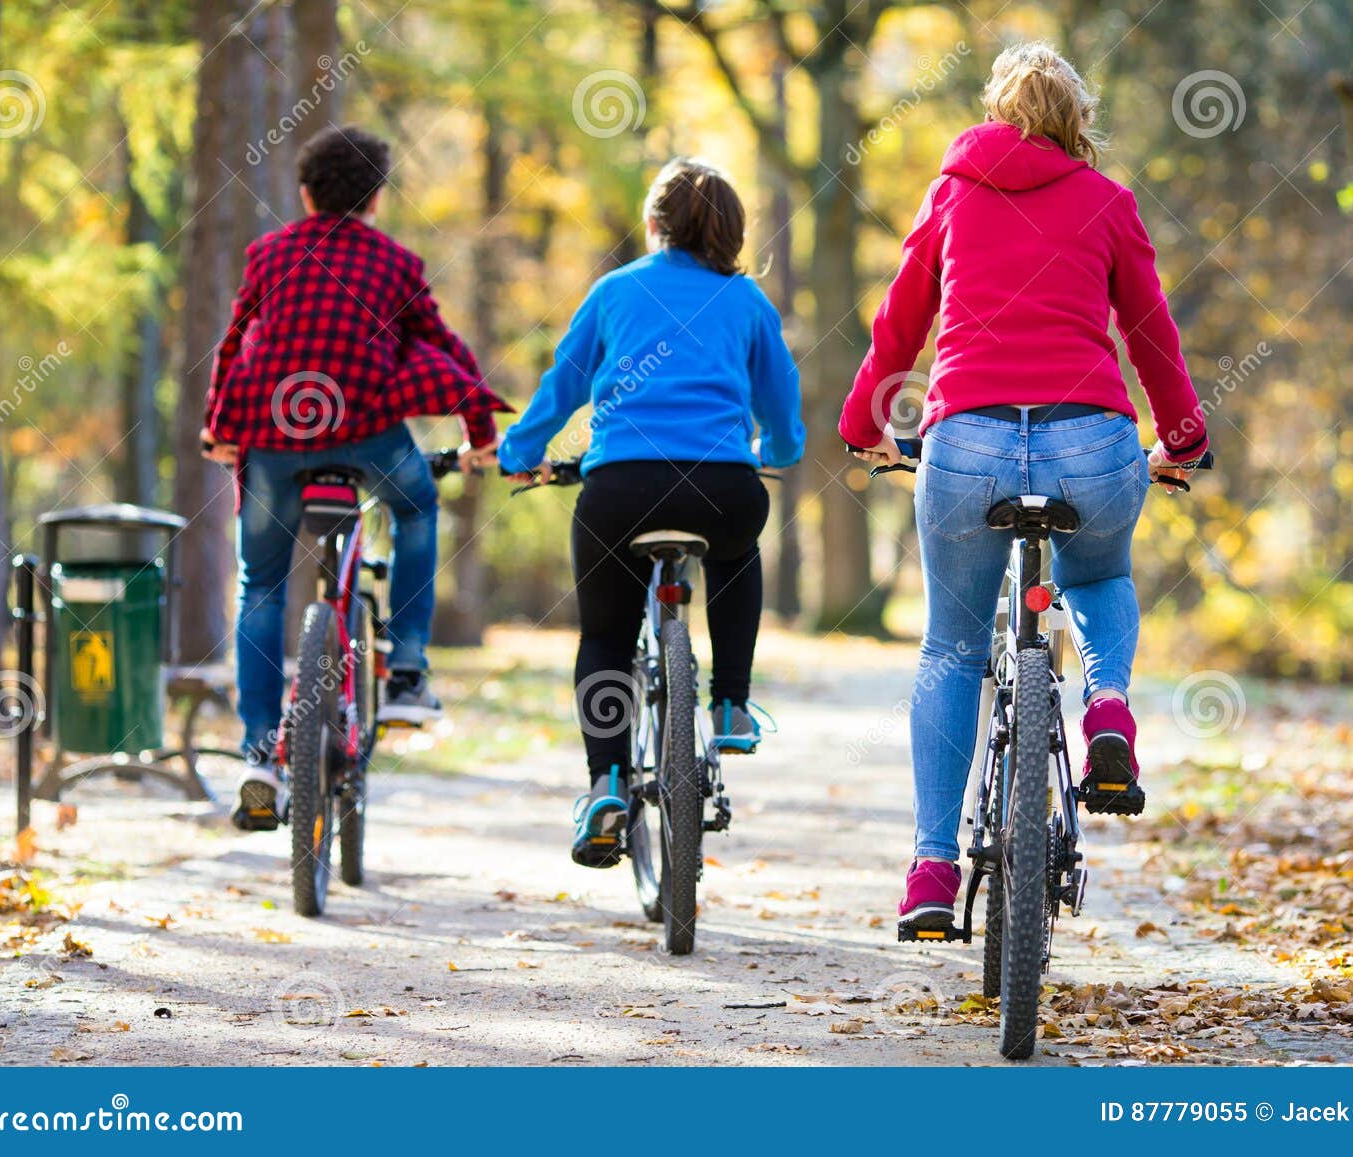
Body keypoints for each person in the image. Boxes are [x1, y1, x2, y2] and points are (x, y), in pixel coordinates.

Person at [838, 44, 1209, 932]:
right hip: (1094, 441)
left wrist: (863, 423)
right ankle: (1107, 703)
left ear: (1000, 113)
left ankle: (932, 868)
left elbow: (899, 322)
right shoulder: (1107, 202)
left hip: (965, 441)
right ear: (1077, 121)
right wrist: (1184, 435)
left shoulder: (952, 193)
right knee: (1099, 579)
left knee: (951, 652)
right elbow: (1151, 330)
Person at [202, 125, 512, 831]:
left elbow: (234, 342)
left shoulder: (268, 253)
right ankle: (406, 669)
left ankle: (258, 755)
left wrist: (221, 428)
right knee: (418, 508)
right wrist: (481, 436)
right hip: (367, 430)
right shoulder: (397, 262)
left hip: (273, 434)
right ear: (376, 197)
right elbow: (444, 346)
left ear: (306, 193)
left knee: (263, 584)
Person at [498, 157, 806, 868]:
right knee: (736, 549)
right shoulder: (748, 301)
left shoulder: (613, 290)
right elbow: (783, 411)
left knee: (605, 635)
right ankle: (729, 706)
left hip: (620, 491)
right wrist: (775, 450)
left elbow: (562, 385)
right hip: (722, 487)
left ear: (655, 224)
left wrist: (520, 451)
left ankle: (606, 781)